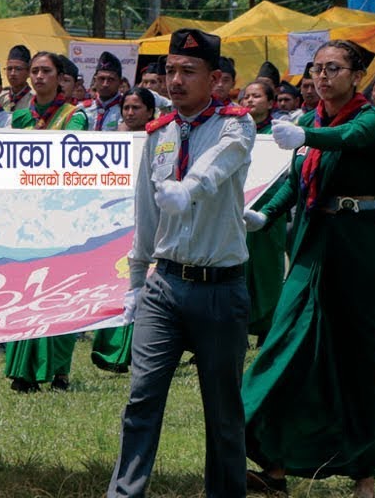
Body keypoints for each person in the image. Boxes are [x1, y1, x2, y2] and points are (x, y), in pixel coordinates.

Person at [240, 39, 375, 498]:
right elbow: (295, 180)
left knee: (358, 358)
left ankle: (363, 474)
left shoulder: (369, 119)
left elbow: (349, 140)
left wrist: (308, 136)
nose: (322, 76)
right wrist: (266, 214)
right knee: (287, 345)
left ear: (356, 76)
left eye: (333, 68)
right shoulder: (309, 122)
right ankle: (275, 466)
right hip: (312, 241)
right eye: (316, 68)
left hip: (359, 244)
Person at [108, 28, 255, 498]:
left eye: (188, 71)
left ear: (215, 79)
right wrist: (136, 281)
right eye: (170, 70)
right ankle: (124, 493)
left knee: (223, 410)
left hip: (220, 288)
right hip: (165, 288)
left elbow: (220, 163)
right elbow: (146, 212)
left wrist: (188, 188)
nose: (175, 80)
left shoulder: (237, 124)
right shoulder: (158, 134)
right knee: (141, 398)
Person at [5, 52, 88, 393]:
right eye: (34, 71)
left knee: (60, 290)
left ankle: (58, 369)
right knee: (25, 288)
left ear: (58, 77)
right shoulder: (20, 118)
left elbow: (74, 161)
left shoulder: (75, 118)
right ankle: (23, 370)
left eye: (46, 71)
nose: (38, 77)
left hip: (63, 215)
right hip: (25, 216)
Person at [92, 88, 157, 374]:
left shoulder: (160, 139)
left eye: (137, 107)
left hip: (149, 220)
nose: (130, 113)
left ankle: (138, 349)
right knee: (113, 282)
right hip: (115, 222)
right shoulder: (113, 141)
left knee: (143, 281)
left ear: (150, 112)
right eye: (126, 107)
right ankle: (109, 350)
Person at [239, 80, 285, 342]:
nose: (249, 101)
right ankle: (238, 330)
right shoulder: (237, 129)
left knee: (268, 269)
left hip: (270, 209)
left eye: (256, 96)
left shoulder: (278, 132)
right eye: (246, 96)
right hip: (239, 208)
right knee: (238, 269)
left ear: (270, 103)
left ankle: (268, 330)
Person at [83, 51, 126, 131]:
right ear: (95, 80)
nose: (105, 84)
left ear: (120, 82)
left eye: (111, 79)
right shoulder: (83, 109)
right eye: (101, 79)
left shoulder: (126, 110)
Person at [0, 44, 34, 112]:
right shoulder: (0, 98)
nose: (12, 73)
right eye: (9, 69)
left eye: (18, 69)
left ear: (29, 72)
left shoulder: (34, 101)